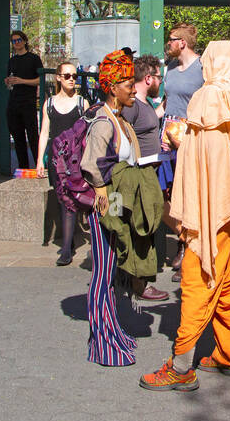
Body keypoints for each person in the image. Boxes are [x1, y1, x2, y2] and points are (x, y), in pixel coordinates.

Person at [141, 41, 230, 391]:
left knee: (198, 277)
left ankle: (181, 366)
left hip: (213, 206)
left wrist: (180, 139)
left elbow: (202, 151)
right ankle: (229, 354)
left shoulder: (208, 97)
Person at [81, 49, 161, 368]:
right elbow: (91, 165)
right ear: (112, 87)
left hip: (117, 205)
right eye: (128, 84)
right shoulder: (104, 122)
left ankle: (113, 332)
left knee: (113, 272)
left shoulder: (120, 118)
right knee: (102, 275)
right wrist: (104, 200)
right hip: (107, 206)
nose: (133, 88)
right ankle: (103, 343)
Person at [120, 54, 170, 302]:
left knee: (146, 227)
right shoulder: (132, 107)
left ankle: (134, 279)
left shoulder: (145, 104)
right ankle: (139, 284)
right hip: (138, 177)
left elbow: (151, 121)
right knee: (141, 229)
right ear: (148, 78)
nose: (160, 81)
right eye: (158, 77)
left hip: (149, 174)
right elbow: (120, 138)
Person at [160, 22, 204, 281]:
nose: (169, 44)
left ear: (182, 43)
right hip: (167, 139)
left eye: (172, 40)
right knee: (169, 194)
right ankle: (182, 239)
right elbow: (166, 103)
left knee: (190, 195)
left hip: (191, 139)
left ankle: (189, 249)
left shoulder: (202, 68)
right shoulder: (170, 69)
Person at [36, 61, 89, 266]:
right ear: (58, 77)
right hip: (57, 159)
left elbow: (87, 133)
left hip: (76, 159)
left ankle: (66, 247)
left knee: (71, 200)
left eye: (74, 76)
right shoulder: (49, 104)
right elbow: (44, 133)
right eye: (67, 76)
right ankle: (67, 245)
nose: (71, 80)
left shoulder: (81, 103)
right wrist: (40, 160)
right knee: (63, 200)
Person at [3, 30, 43, 170]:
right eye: (14, 41)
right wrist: (8, 81)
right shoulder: (12, 61)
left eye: (19, 40)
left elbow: (40, 80)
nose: (16, 43)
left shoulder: (33, 58)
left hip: (28, 101)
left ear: (25, 41)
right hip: (14, 102)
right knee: (17, 137)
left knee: (33, 136)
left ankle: (39, 165)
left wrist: (22, 81)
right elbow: (9, 82)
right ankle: (23, 167)